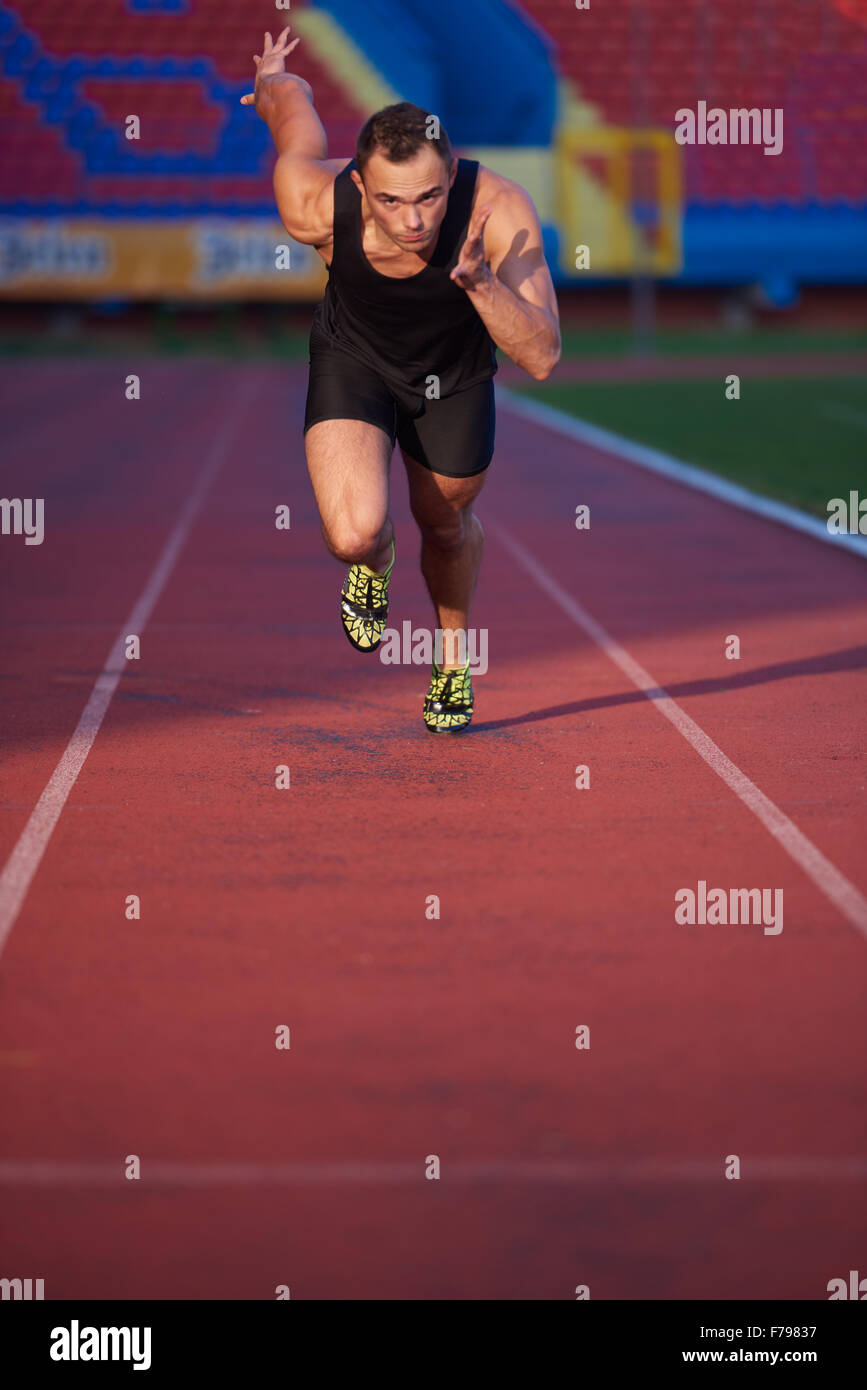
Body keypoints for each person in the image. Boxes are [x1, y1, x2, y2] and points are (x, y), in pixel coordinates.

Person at [243, 28, 561, 731]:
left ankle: (451, 665)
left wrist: (481, 285)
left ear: (453, 175)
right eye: (391, 201)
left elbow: (541, 353)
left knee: (445, 526)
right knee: (354, 533)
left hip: (453, 373)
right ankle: (373, 564)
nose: (414, 220)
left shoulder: (498, 210)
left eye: (430, 196)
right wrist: (273, 79)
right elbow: (291, 111)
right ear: (359, 184)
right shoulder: (314, 203)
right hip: (353, 358)